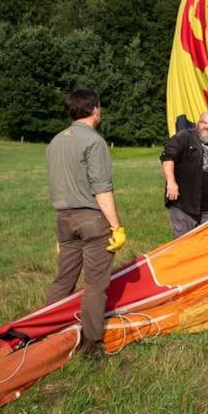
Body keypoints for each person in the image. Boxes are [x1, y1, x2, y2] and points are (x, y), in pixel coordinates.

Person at [45, 88, 126, 358]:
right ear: (94, 109)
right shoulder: (95, 141)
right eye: (99, 107)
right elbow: (101, 188)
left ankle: (44, 335)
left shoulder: (55, 141)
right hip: (91, 220)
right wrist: (116, 227)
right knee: (95, 286)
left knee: (63, 280)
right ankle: (92, 346)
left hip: (63, 220)